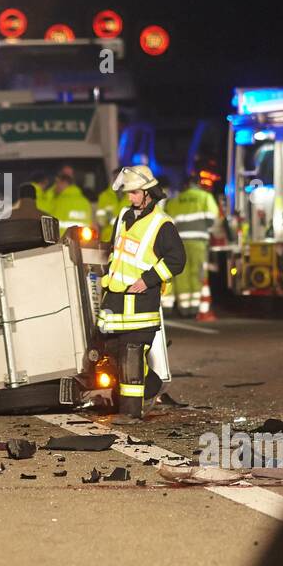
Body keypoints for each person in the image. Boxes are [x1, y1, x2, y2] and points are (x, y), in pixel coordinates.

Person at [97, 165, 186, 423]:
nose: (130, 198)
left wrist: (148, 280)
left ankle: (130, 412)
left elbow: (177, 260)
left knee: (132, 354)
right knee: (110, 353)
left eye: (134, 192)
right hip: (115, 298)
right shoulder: (123, 217)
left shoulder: (162, 224)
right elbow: (117, 253)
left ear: (148, 192)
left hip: (140, 303)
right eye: (128, 193)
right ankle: (152, 386)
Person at [166, 172, 222, 317]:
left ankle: (184, 308)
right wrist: (207, 231)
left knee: (181, 274)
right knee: (197, 273)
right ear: (198, 183)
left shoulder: (176, 200)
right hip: (198, 241)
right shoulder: (205, 197)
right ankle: (195, 308)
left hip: (179, 243)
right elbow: (212, 219)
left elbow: (168, 222)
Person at [46, 165, 92, 230]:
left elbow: (49, 221)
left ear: (64, 183)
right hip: (81, 239)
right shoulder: (85, 201)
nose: (56, 185)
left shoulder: (59, 201)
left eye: (57, 183)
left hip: (62, 238)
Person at [95, 168, 122, 242]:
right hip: (107, 240)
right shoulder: (105, 196)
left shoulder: (131, 196)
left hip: (124, 240)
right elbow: (100, 221)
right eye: (115, 178)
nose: (118, 180)